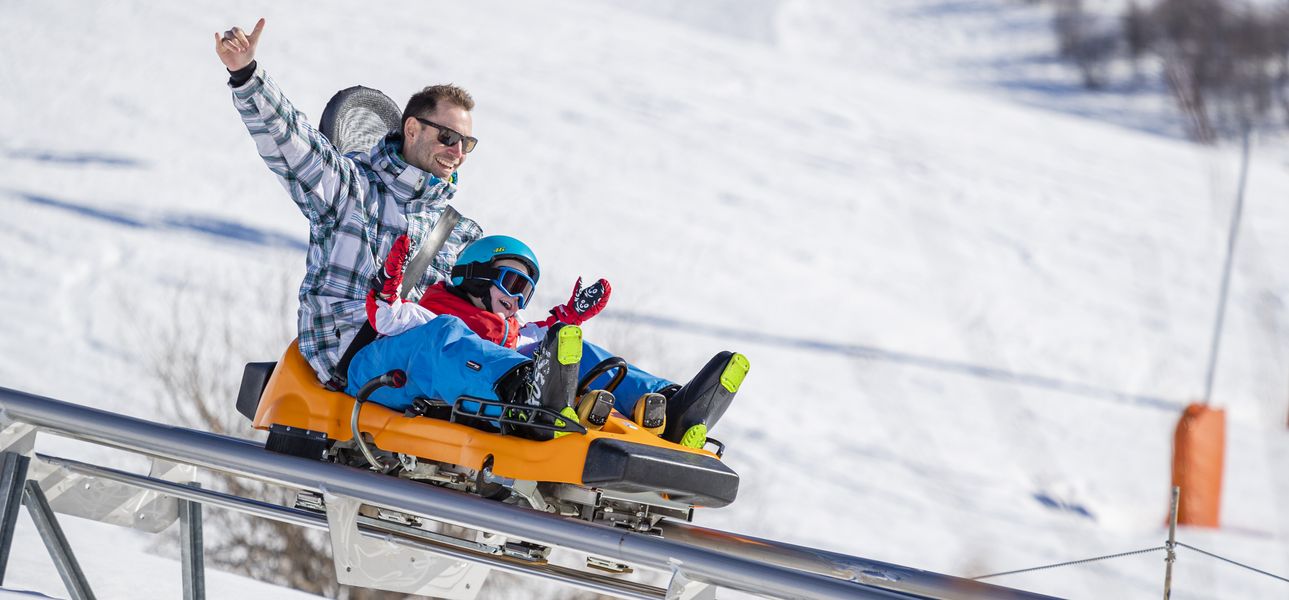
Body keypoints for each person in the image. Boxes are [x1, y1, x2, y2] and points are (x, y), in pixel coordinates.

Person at [215, 18, 484, 390]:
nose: (457, 152)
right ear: (412, 129)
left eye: (466, 144)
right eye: (448, 136)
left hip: (425, 376)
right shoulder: (352, 189)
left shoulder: (461, 233)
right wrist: (246, 73)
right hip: (352, 358)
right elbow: (291, 142)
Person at [357, 234, 751, 449]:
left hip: (485, 385)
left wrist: (568, 320)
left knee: (578, 351)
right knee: (447, 336)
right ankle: (526, 396)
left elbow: (539, 338)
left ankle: (669, 409)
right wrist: (388, 287)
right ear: (473, 275)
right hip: (389, 379)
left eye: (525, 292)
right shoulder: (434, 316)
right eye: (511, 283)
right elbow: (389, 316)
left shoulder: (508, 329)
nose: (516, 299)